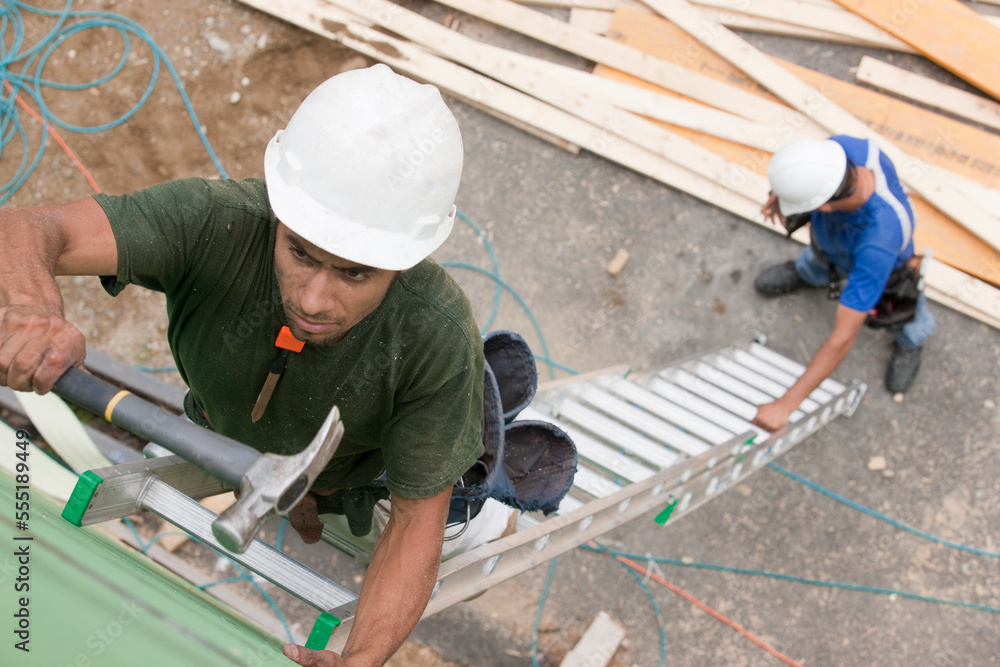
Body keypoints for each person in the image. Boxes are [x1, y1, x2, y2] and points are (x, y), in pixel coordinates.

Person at [0, 64, 510, 667]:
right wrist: (30, 307)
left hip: (366, 482)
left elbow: (412, 523)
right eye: (300, 252)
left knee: (468, 538)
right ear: (278, 212)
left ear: (404, 259)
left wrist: (363, 656)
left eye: (354, 273)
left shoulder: (434, 335)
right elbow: (31, 228)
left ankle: (483, 476)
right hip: (236, 433)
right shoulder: (212, 224)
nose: (314, 300)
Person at [752, 136, 935, 433]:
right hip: (832, 247)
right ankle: (807, 275)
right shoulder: (844, 153)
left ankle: (911, 341)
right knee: (815, 263)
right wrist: (780, 194)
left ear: (821, 207)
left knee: (904, 312)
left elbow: (842, 338)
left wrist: (786, 405)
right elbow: (806, 172)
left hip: (886, 271)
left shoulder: (879, 242)